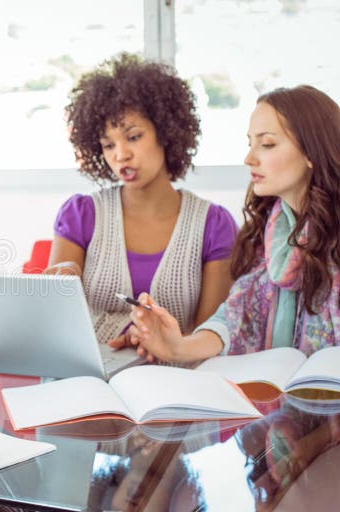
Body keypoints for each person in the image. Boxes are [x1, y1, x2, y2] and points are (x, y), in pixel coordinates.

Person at [129, 85, 340, 363]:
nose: (249, 158)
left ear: (312, 151)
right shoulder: (270, 234)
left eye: (267, 144)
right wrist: (176, 346)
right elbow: (236, 318)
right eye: (250, 143)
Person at [45, 54, 237, 346]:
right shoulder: (80, 214)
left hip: (174, 378)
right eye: (108, 145)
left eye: (133, 137)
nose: (120, 155)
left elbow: (209, 334)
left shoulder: (213, 224)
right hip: (91, 375)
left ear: (166, 132)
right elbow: (60, 319)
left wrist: (161, 343)